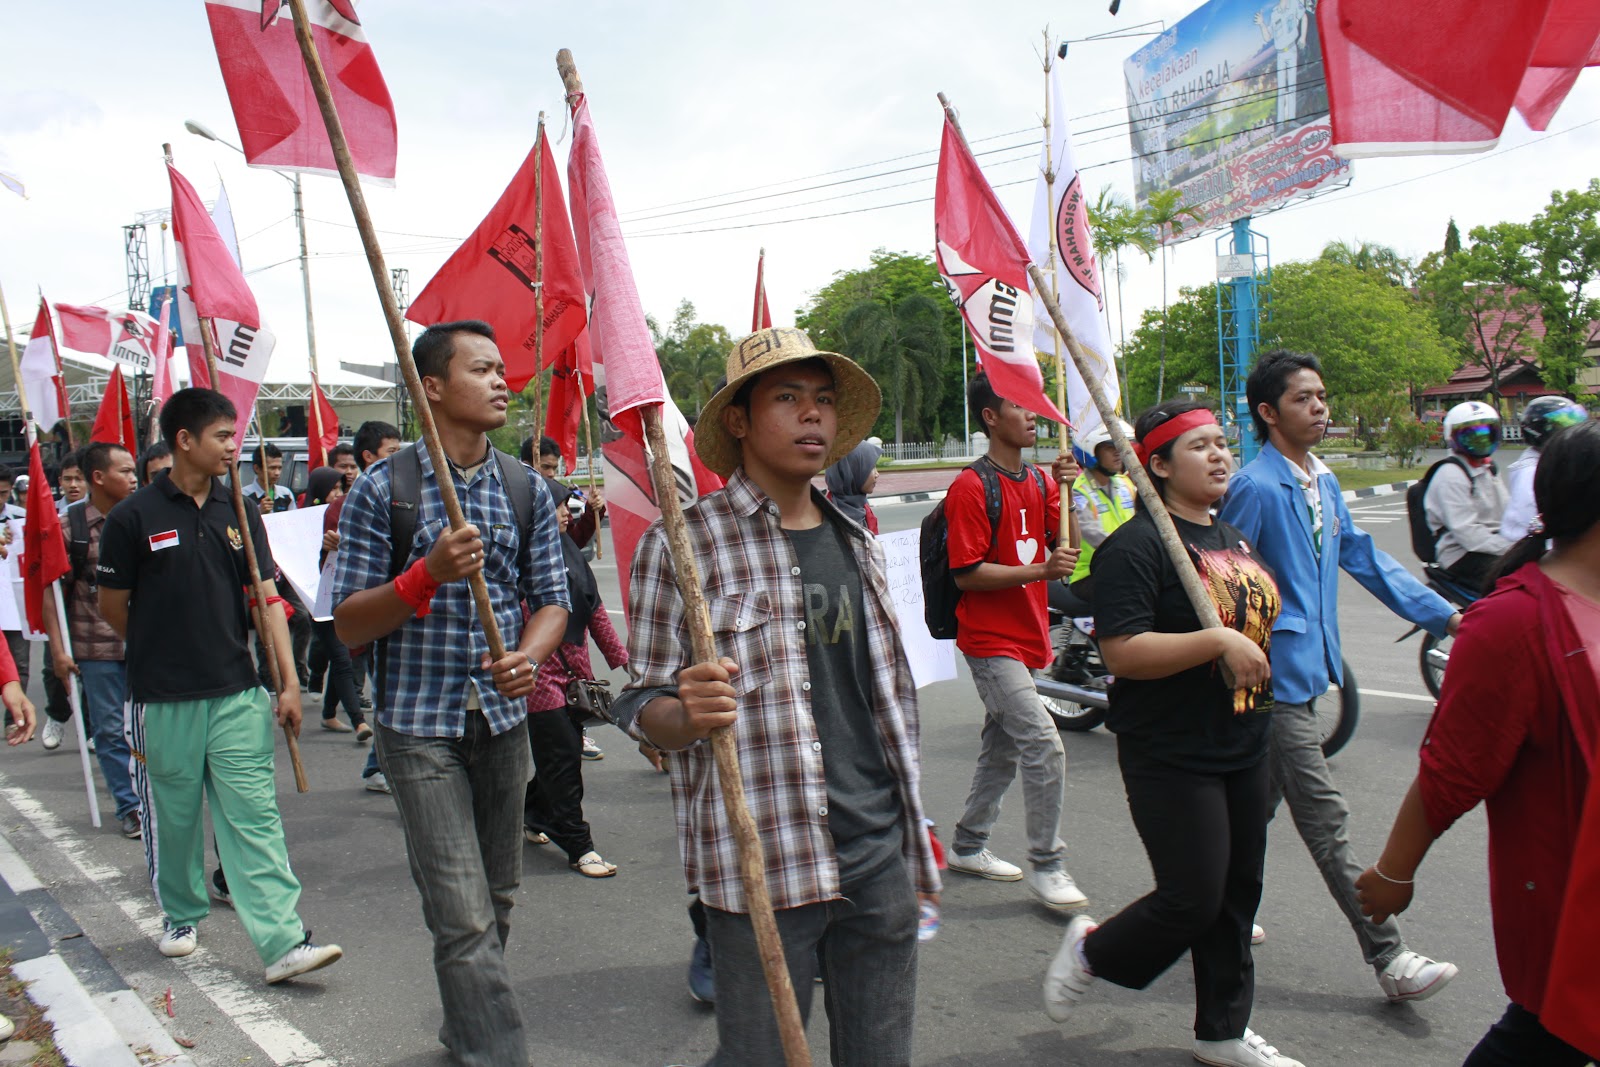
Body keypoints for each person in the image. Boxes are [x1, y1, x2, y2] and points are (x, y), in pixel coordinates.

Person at [613, 326, 940, 1066]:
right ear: (739, 420)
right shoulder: (684, 544)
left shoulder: (857, 537)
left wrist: (907, 826)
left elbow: (882, 700)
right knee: (759, 1055)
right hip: (763, 854)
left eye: (823, 400)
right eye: (788, 398)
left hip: (878, 848)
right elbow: (642, 706)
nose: (813, 416)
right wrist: (684, 713)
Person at [333, 321, 568, 1067]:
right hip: (417, 725)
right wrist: (424, 573)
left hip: (501, 720)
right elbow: (348, 621)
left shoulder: (526, 485)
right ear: (431, 385)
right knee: (462, 914)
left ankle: (465, 1025)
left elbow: (553, 600)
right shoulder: (385, 489)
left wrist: (528, 658)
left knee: (496, 898)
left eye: (504, 369)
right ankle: (496, 1053)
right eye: (483, 369)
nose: (504, 381)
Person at [1043, 399, 1305, 1067]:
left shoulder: (1232, 538)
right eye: (1200, 446)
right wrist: (1214, 637)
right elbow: (1125, 652)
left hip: (1246, 736)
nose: (1220, 455)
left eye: (1223, 443)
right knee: (1193, 896)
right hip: (1171, 749)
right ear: (1157, 465)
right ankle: (1093, 950)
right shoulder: (1135, 548)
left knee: (1237, 894)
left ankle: (1222, 1030)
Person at [1357, 419, 1600, 1067]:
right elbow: (1452, 771)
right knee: (1548, 1030)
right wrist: (1392, 872)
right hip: (1573, 897)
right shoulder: (1516, 621)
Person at [1220, 349, 1460, 1004]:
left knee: (1253, 811)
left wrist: (1442, 615)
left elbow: (1364, 559)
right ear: (1268, 413)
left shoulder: (1321, 482)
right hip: (1268, 680)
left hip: (1311, 669)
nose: (1320, 407)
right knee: (1325, 814)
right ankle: (1390, 955)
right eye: (1303, 398)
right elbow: (1226, 584)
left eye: (1322, 396)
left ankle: (1207, 912)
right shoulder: (1257, 487)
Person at [97, 387, 342, 983]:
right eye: (223, 437)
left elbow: (267, 602)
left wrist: (286, 683)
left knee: (253, 817)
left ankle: (284, 941)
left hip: (237, 693)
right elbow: (112, 607)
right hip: (160, 699)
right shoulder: (132, 517)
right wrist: (164, 644)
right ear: (185, 440)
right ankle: (180, 914)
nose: (234, 447)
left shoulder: (240, 512)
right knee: (175, 818)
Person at [943, 372, 1085, 909]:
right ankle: (1048, 865)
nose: (1034, 415)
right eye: (1020, 406)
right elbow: (967, 573)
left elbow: (1060, 542)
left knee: (1001, 752)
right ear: (990, 418)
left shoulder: (1040, 482)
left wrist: (1067, 486)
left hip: (1027, 637)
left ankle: (967, 844)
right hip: (989, 640)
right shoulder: (971, 487)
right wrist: (1039, 572)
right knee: (1044, 745)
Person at [523, 475, 627, 877]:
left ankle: (533, 812)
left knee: (557, 759)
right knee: (564, 761)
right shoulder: (521, 556)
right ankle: (579, 845)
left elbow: (596, 611)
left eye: (568, 504)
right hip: (538, 679)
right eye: (559, 504)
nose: (568, 512)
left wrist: (625, 663)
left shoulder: (568, 552)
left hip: (573, 679)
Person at [39, 441, 142, 837]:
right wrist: (59, 650)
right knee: (111, 729)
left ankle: (151, 796)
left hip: (147, 641)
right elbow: (50, 591)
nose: (134, 479)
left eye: (135, 471)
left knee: (151, 725)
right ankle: (129, 806)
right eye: (125, 471)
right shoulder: (72, 528)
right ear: (98, 477)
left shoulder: (143, 519)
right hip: (96, 647)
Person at [335, 421, 402, 794]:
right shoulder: (358, 499)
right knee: (384, 692)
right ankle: (379, 764)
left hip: (398, 615)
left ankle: (378, 762)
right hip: (368, 617)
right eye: (392, 451)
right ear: (368, 456)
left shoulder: (404, 489)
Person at [300, 467, 365, 737]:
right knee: (340, 657)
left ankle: (328, 714)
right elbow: (307, 563)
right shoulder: (303, 521)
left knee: (341, 655)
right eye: (332, 489)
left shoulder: (343, 513)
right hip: (318, 599)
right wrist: (326, 549)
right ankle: (359, 721)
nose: (336, 494)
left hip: (341, 597)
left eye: (340, 488)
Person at [1424, 400, 1511, 591]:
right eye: (1471, 436)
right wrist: (1512, 549)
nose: (1480, 441)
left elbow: (1506, 513)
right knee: (1520, 581)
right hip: (1461, 554)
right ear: (1452, 437)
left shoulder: (1488, 468)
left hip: (1492, 546)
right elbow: (1469, 535)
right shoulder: (1451, 475)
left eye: (1486, 434)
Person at [1500, 396, 1587, 542]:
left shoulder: (1553, 461)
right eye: (1564, 428)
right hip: (1531, 550)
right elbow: (1534, 525)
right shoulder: (1530, 473)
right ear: (1542, 432)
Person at [1066, 420, 1136, 600]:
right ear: (1091, 452)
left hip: (1124, 565)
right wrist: (1136, 553)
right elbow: (1093, 534)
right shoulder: (1078, 492)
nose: (1118, 452)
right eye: (1109, 447)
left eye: (1120, 445)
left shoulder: (1126, 484)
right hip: (1089, 574)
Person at [823, 438, 882, 533]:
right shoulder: (824, 518)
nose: (877, 474)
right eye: (872, 467)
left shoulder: (864, 509)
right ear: (852, 472)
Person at [244, 443, 296, 513]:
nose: (277, 473)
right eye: (272, 468)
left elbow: (293, 521)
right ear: (257, 468)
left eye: (279, 468)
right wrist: (259, 512)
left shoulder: (286, 494)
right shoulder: (244, 496)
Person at [56, 449, 86, 514]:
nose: (73, 485)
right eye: (67, 479)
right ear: (60, 481)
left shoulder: (99, 511)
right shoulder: (49, 511)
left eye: (79, 479)